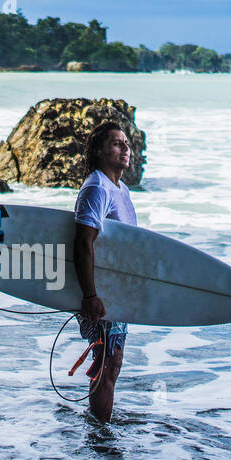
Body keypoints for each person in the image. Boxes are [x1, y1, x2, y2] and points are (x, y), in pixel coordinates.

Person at [72, 121, 137, 422]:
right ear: (99, 151)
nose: (125, 148)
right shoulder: (97, 187)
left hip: (116, 291)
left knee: (112, 362)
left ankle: (99, 427)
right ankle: (99, 433)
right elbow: (83, 241)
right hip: (101, 293)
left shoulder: (119, 189)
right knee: (106, 362)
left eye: (126, 143)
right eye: (116, 143)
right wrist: (90, 295)